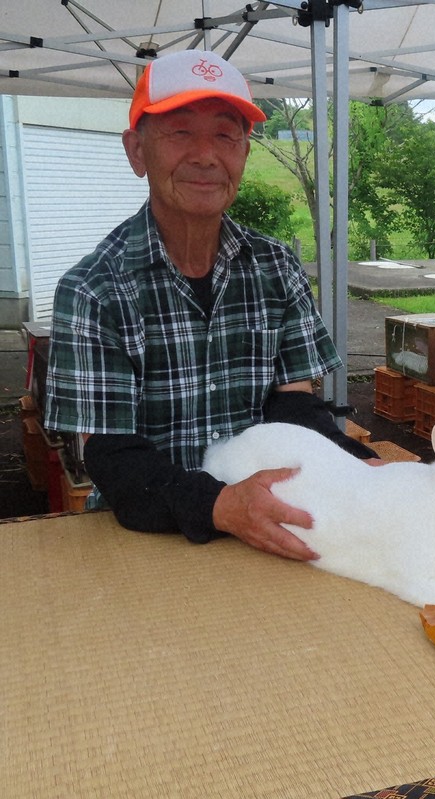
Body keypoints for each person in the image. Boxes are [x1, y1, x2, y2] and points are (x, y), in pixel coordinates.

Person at [45, 49, 378, 561]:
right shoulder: (93, 290)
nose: (206, 155)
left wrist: (359, 467)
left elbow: (295, 410)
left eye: (226, 134)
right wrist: (222, 505)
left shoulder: (276, 266)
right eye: (180, 132)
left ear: (244, 151)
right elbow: (112, 458)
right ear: (137, 152)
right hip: (142, 530)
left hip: (266, 519)